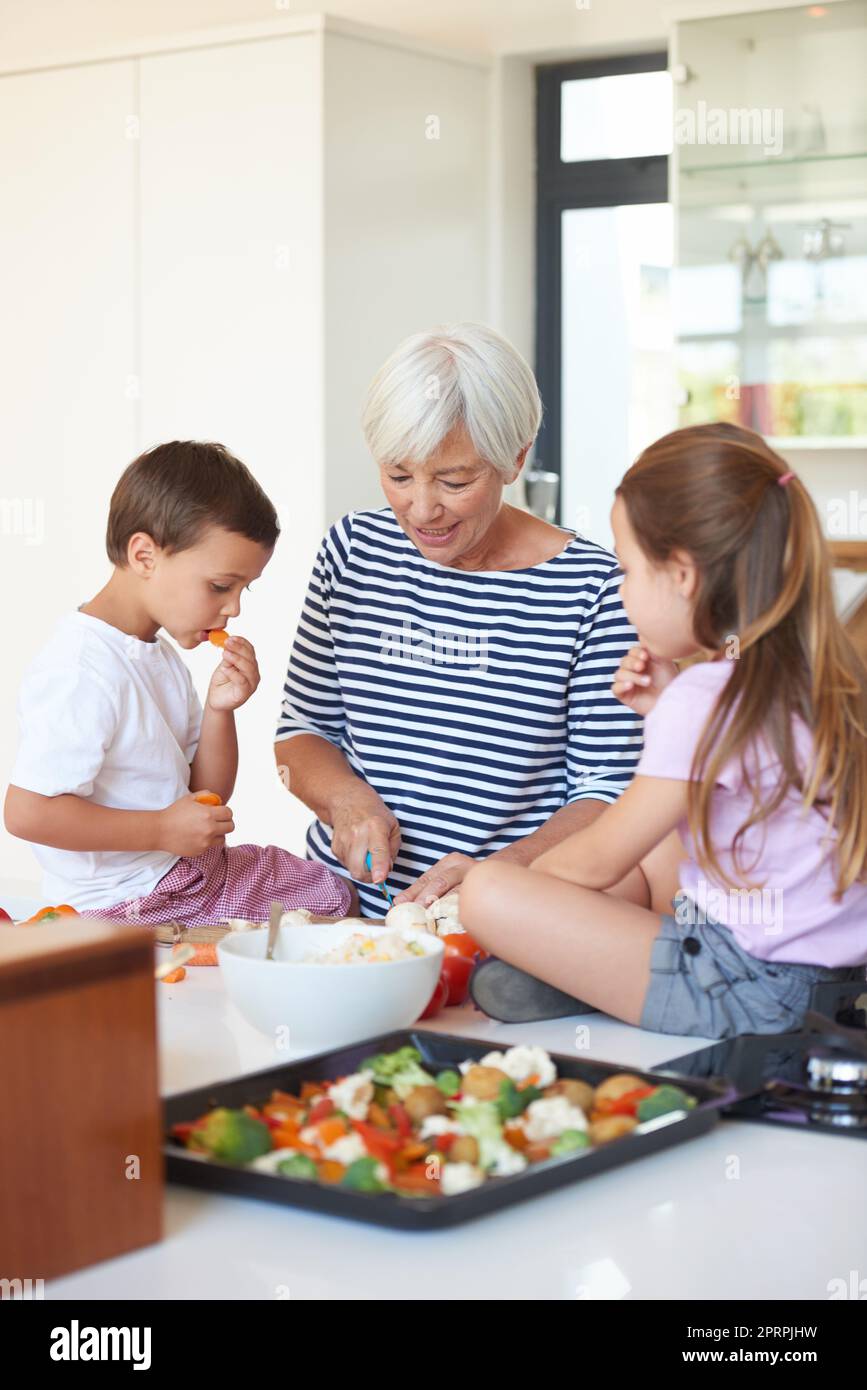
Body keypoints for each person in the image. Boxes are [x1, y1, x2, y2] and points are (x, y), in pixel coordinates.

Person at [460, 423, 867, 1038]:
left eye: (628, 570)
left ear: (682, 576)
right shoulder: (815, 669)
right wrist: (667, 704)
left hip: (748, 988)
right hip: (829, 981)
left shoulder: (708, 698)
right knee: (648, 842)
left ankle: (581, 971)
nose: (622, 591)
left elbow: (594, 862)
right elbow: (742, 770)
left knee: (488, 889)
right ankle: (586, 972)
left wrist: (515, 908)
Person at [274, 322, 642, 917]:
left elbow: (610, 793)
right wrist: (347, 803)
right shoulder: (352, 551)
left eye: (455, 480)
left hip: (503, 922)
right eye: (398, 476)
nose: (422, 509)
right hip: (338, 909)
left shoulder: (597, 591)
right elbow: (301, 730)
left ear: (515, 458)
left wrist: (500, 876)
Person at [4, 441, 354, 925]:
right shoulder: (82, 667)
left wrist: (219, 710)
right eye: (219, 587)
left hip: (185, 873)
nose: (233, 608)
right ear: (144, 555)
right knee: (324, 908)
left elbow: (208, 790)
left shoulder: (158, 654)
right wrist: (161, 830)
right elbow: (27, 813)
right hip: (131, 900)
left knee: (330, 893)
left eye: (242, 589)